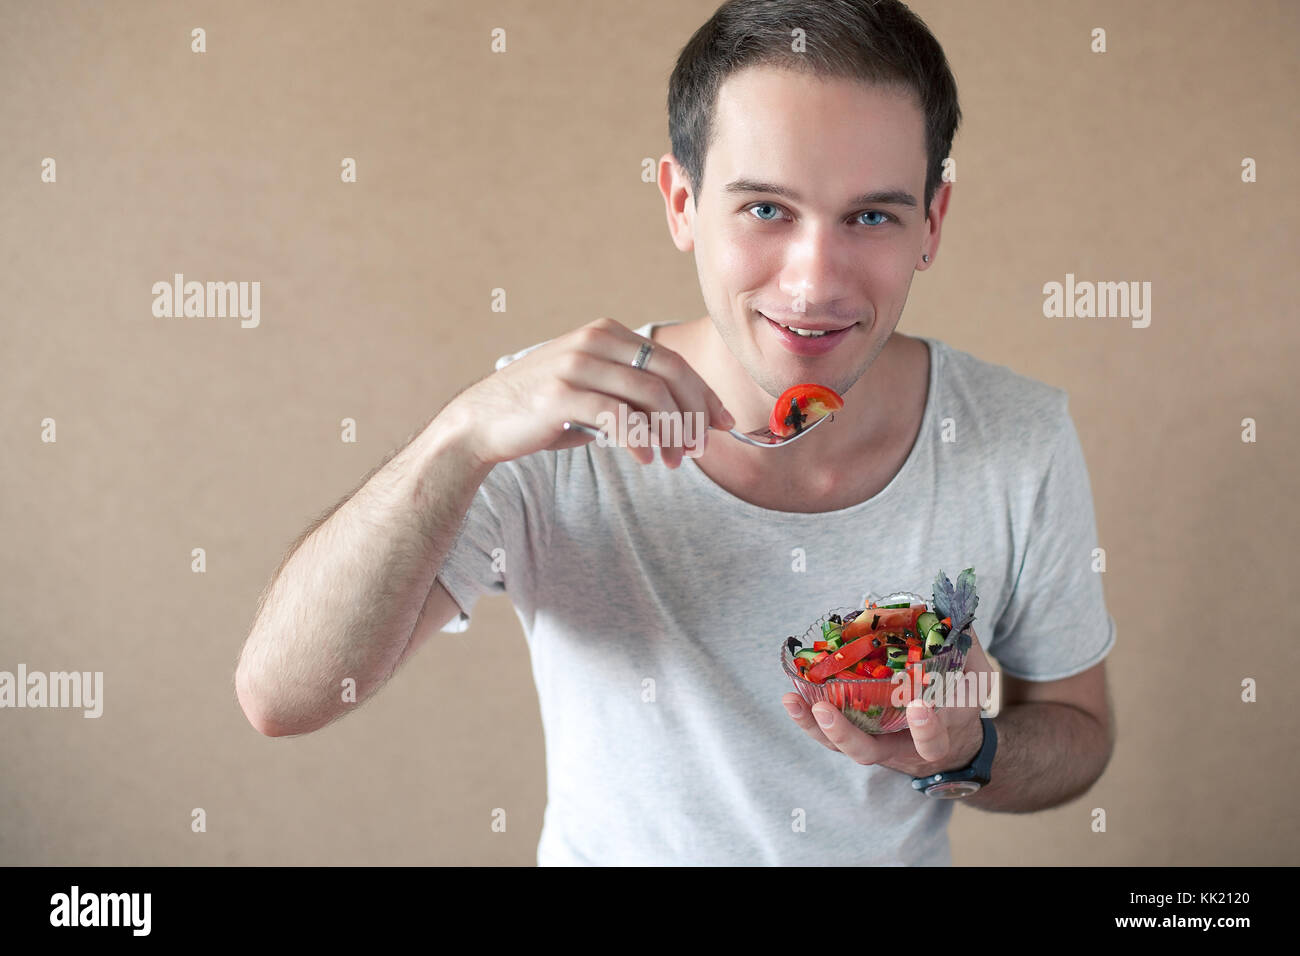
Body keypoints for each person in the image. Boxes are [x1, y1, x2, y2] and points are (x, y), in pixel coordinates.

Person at [235, 0, 1116, 865]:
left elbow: (1079, 732)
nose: (813, 283)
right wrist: (459, 435)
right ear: (681, 202)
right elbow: (282, 697)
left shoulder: (1019, 435)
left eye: (872, 215)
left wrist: (970, 753)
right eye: (766, 209)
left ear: (933, 223)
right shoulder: (548, 421)